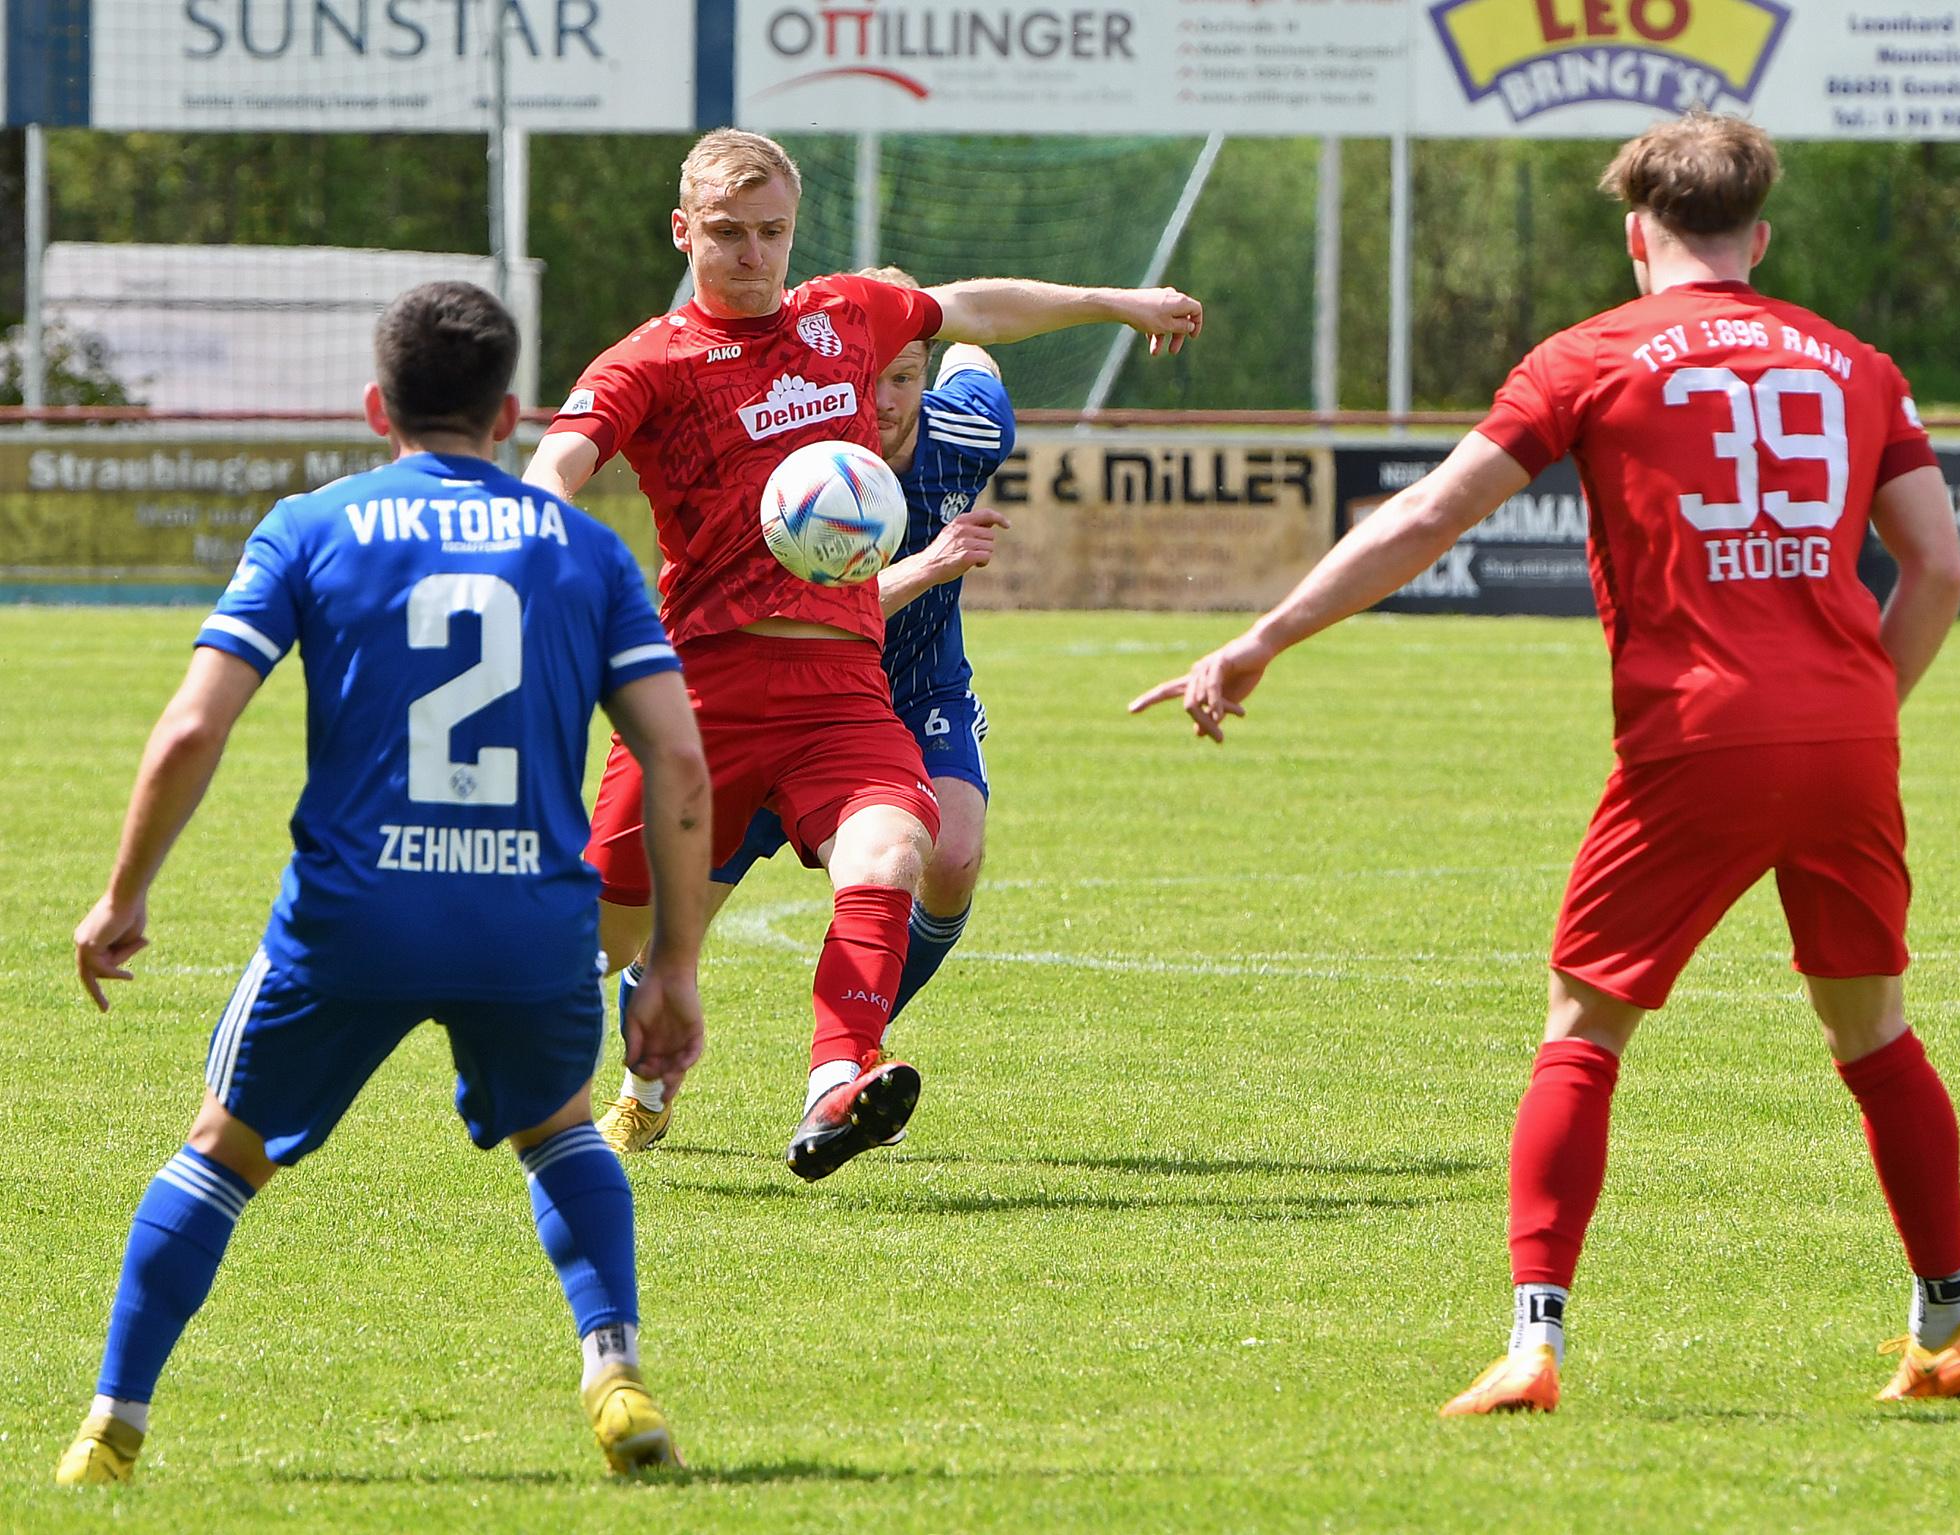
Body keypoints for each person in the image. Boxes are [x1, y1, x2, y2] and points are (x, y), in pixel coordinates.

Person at [1131, 112, 1960, 1414]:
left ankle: (1533, 1342)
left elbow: (1428, 513)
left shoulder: (1592, 355)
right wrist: (1861, 707)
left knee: (1583, 1027)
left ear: (1636, 234)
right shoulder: (1855, 363)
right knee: (1870, 1027)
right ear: (1754, 236)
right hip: (1844, 734)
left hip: (1696, 734)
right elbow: (1934, 566)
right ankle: (1950, 1325)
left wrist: (1264, 638)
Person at [57, 282, 715, 1486]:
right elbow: (675, 755)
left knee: (219, 1150)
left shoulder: (313, 525)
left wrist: (124, 894)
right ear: (511, 411)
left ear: (378, 407)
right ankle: (613, 1368)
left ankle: (113, 1421)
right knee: (562, 1130)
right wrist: (669, 960)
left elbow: (193, 728)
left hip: (353, 915)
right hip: (528, 918)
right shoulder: (584, 548)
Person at [526, 129, 1200, 1181]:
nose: (753, 256)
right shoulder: (647, 360)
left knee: (894, 852)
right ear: (681, 232)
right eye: (726, 235)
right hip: (699, 693)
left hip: (841, 688)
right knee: (606, 945)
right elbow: (561, 459)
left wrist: (1114, 301)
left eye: (771, 234)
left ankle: (836, 1079)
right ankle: (585, 1061)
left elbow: (974, 308)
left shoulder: (843, 315)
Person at [597, 263, 1015, 1155]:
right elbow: (833, 598)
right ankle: (643, 1089)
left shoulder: (971, 432)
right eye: (872, 376)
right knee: (668, 931)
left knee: (951, 853)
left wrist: (950, 325)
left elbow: (976, 343)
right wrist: (931, 563)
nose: (887, 397)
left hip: (917, 692)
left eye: (908, 375)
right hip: (776, 696)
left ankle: (853, 1055)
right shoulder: (800, 457)